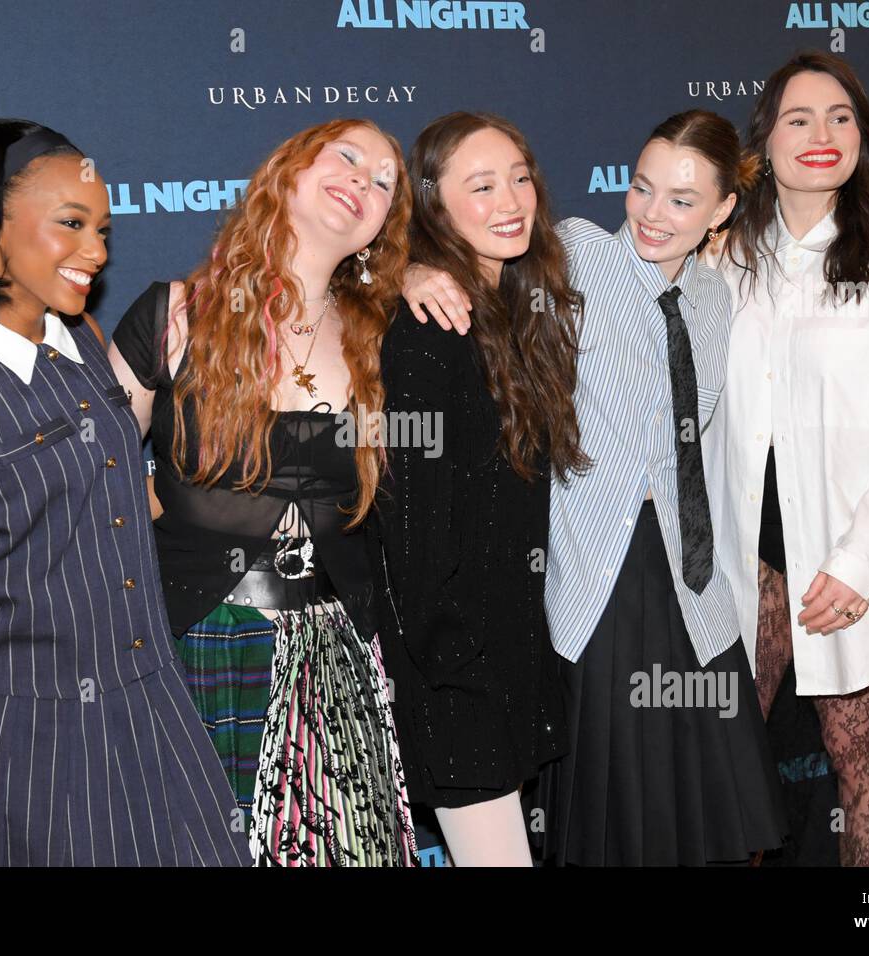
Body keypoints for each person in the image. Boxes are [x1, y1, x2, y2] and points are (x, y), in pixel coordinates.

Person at [0, 119, 248, 867]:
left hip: (149, 698)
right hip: (26, 737)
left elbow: (113, 502)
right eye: (71, 224)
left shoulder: (81, 338)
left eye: (102, 229)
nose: (97, 251)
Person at [404, 110, 788, 865]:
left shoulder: (718, 302)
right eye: (642, 188)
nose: (651, 213)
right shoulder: (573, 254)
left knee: (710, 826)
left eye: (682, 200)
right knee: (614, 828)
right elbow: (467, 250)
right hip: (597, 583)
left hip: (695, 592)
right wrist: (411, 271)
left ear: (722, 211)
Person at [108, 119, 418, 866]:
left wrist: (424, 276)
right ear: (289, 169)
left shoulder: (389, 340)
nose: (365, 180)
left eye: (385, 181)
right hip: (194, 650)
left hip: (336, 659)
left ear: (383, 226)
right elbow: (90, 475)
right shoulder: (175, 314)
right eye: (349, 156)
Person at [706, 51, 869, 866]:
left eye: (840, 117)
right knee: (727, 776)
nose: (821, 135)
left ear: (864, 136)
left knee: (868, 774)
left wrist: (860, 561)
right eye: (798, 118)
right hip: (745, 560)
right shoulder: (726, 255)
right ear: (766, 141)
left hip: (862, 559)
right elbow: (615, 272)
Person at [373, 112, 587, 866]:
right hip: (455, 675)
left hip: (506, 662)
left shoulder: (512, 314)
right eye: (483, 185)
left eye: (520, 178)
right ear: (434, 204)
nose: (511, 200)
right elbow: (412, 528)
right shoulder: (429, 329)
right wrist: (456, 672)